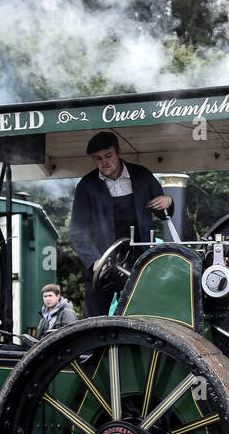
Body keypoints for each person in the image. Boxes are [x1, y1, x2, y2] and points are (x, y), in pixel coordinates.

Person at [70, 130, 173, 317]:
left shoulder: (142, 176)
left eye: (108, 156)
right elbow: (78, 232)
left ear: (119, 152)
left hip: (139, 260)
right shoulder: (86, 186)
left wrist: (168, 201)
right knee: (93, 319)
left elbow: (163, 213)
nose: (104, 162)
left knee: (145, 315)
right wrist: (95, 260)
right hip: (103, 262)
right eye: (98, 158)